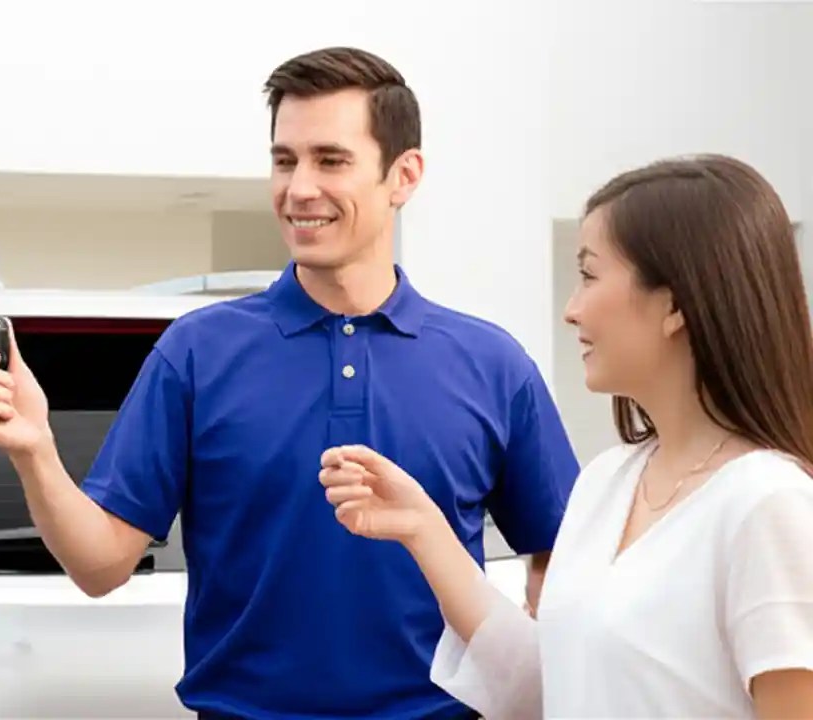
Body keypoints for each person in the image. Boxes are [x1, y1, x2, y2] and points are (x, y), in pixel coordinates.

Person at [0, 46, 579, 719]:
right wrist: (36, 452)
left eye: (330, 160)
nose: (298, 187)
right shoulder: (196, 353)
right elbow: (100, 566)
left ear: (404, 175)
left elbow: (562, 565)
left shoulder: (491, 363)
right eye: (284, 160)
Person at [320, 153, 813, 718]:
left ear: (675, 301)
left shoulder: (768, 504)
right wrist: (423, 528)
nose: (571, 312)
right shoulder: (608, 480)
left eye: (588, 275)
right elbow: (552, 687)